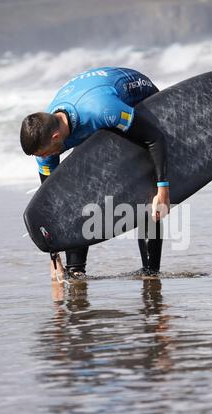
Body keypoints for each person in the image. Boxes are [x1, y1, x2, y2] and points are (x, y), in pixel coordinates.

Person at [20, 66, 170, 280]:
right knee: (71, 196)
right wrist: (54, 259)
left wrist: (162, 189)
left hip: (137, 95)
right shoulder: (45, 143)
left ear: (55, 137)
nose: (44, 157)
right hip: (91, 103)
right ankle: (76, 272)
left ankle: (151, 272)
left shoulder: (103, 110)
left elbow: (154, 138)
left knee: (145, 188)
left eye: (45, 153)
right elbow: (53, 203)